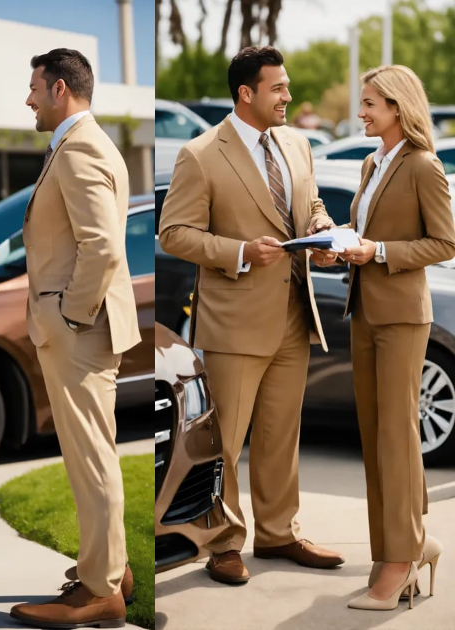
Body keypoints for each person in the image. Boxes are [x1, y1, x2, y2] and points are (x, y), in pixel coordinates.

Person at [158, 46, 346, 585]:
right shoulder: (200, 155)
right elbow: (174, 233)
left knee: (281, 436)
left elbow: (309, 208)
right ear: (247, 93)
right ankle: (223, 541)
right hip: (234, 322)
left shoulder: (297, 143)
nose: (289, 97)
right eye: (279, 88)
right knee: (226, 443)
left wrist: (324, 236)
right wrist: (240, 252)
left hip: (294, 315)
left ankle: (279, 533)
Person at [5, 48, 141, 630]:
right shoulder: (84, 143)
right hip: (86, 327)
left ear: (60, 89)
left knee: (90, 461)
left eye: (34, 87)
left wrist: (68, 314)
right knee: (96, 456)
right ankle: (115, 571)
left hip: (81, 330)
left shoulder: (80, 147)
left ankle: (98, 591)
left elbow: (103, 247)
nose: (28, 98)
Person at [331, 64, 452, 611]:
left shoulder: (424, 166)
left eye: (370, 104)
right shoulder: (370, 162)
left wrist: (376, 252)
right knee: (377, 435)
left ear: (398, 108)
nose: (361, 113)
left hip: (403, 315)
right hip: (365, 311)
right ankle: (399, 548)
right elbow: (371, 230)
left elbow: (444, 243)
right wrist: (341, 245)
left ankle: (402, 562)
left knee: (399, 437)